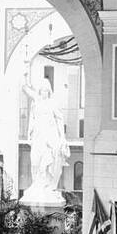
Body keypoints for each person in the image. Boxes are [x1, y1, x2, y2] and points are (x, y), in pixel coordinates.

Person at [21, 61, 69, 196]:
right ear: (40, 91)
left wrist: (62, 138)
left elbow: (60, 120)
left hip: (50, 136)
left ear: (49, 91)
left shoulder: (53, 103)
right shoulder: (36, 102)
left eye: (46, 90)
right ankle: (37, 184)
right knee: (35, 160)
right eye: (42, 90)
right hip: (38, 135)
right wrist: (25, 74)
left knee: (48, 162)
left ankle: (47, 184)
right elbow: (25, 89)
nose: (44, 93)